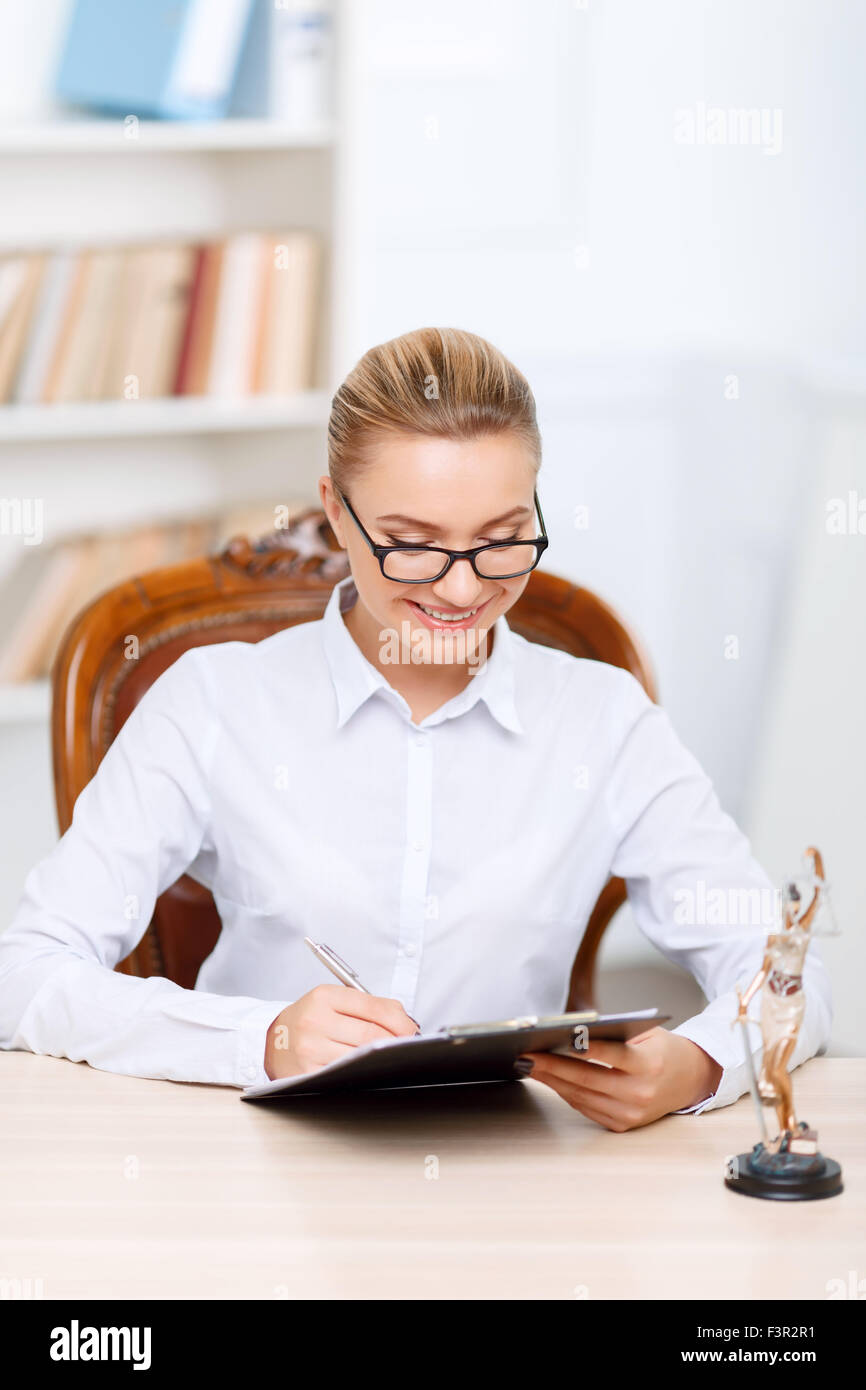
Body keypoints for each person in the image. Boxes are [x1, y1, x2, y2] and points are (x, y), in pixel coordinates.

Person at [0, 327, 832, 1131]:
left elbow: (791, 974)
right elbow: (25, 976)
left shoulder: (603, 720)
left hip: (514, 1173)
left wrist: (703, 1064)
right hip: (254, 1169)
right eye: (412, 545)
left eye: (502, 541)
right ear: (335, 512)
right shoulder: (214, 702)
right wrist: (261, 1040)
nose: (463, 590)